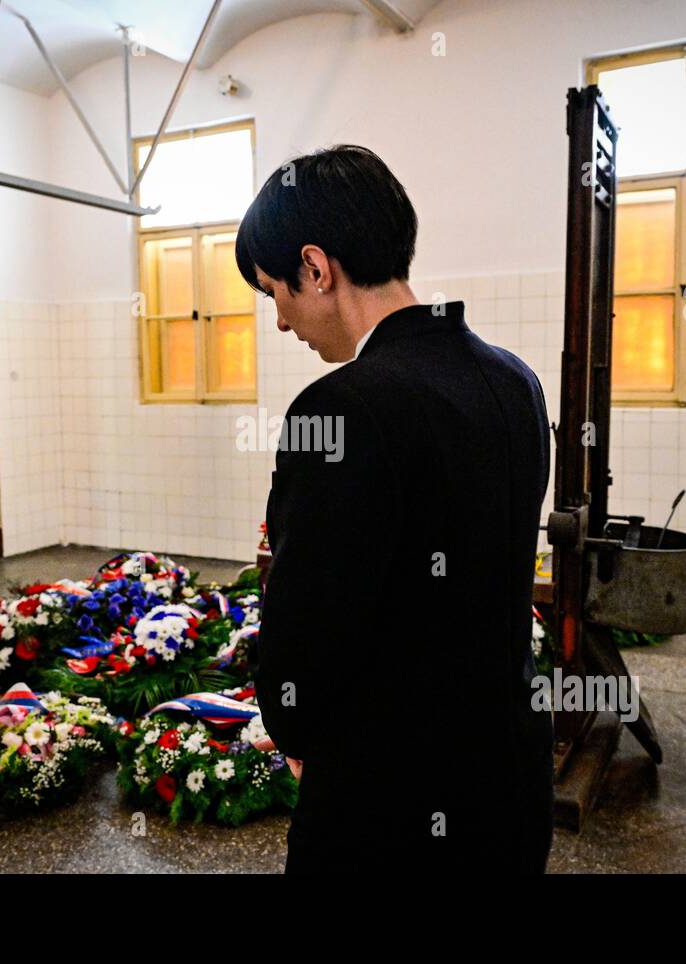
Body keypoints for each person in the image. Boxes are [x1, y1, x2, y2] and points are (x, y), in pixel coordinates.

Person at [237, 145, 554, 873]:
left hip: (388, 801)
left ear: (315, 269)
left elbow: (308, 617)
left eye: (273, 292)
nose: (282, 322)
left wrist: (296, 734)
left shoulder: (341, 409)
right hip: (507, 776)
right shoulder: (516, 381)